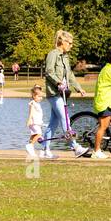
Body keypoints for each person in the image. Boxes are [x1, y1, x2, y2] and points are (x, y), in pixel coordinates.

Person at [42, 30, 86, 158]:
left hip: (62, 94)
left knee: (53, 123)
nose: (71, 46)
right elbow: (49, 72)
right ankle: (75, 147)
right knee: (65, 119)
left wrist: (79, 88)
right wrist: (58, 83)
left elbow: (70, 75)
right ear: (62, 42)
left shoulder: (65, 57)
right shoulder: (53, 54)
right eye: (70, 43)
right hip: (54, 93)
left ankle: (45, 150)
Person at [25, 84, 45, 159]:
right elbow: (31, 113)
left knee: (33, 135)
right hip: (34, 122)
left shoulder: (37, 103)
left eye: (41, 96)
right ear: (34, 96)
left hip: (37, 122)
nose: (41, 98)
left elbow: (39, 114)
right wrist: (29, 120)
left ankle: (30, 149)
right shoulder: (33, 103)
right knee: (39, 134)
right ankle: (30, 146)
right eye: (39, 96)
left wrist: (41, 122)